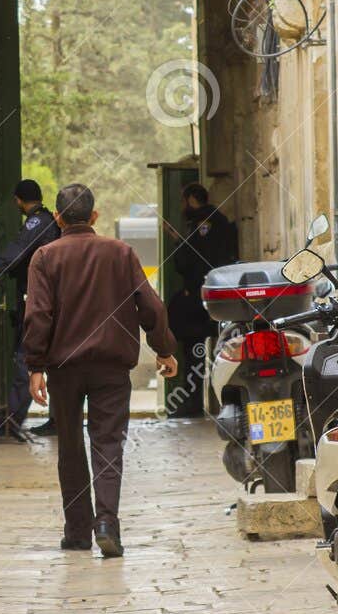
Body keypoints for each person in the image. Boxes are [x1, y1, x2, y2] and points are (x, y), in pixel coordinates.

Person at [23, 183, 178, 557]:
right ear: (94, 216)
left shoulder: (45, 257)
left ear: (57, 218)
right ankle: (107, 524)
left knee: (71, 447)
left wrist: (35, 366)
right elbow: (151, 307)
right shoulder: (120, 253)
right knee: (108, 445)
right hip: (111, 367)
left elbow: (38, 315)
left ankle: (77, 531)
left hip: (64, 369)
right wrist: (164, 349)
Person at [0, 179, 59, 433]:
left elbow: (18, 250)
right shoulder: (48, 220)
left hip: (39, 301)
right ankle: (55, 421)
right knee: (53, 359)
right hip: (48, 300)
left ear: (19, 200)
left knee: (23, 357)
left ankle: (12, 421)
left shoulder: (37, 222)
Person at [165, 182, 239, 417]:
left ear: (191, 199)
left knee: (192, 348)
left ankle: (192, 402)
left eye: (183, 200)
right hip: (218, 293)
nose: (181, 206)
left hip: (202, 297)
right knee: (217, 347)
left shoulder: (203, 224)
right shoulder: (218, 221)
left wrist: (179, 243)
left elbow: (193, 260)